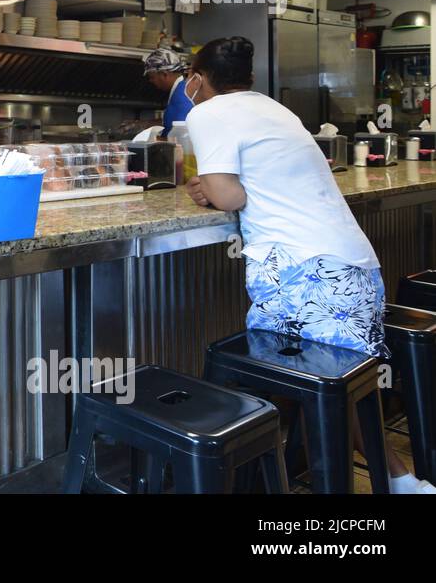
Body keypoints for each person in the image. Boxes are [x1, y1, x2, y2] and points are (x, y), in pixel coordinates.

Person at [183, 35, 433, 493]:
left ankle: (396, 483)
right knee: (341, 389)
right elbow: (244, 183)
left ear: (197, 79)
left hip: (309, 273)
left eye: (188, 79)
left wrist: (208, 189)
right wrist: (213, 187)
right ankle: (393, 481)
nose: (187, 88)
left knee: (329, 392)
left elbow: (230, 195)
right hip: (351, 267)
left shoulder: (206, 111)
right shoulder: (275, 108)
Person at [142, 48, 193, 138]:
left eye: (152, 77)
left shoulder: (180, 97)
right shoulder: (181, 89)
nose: (151, 81)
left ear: (164, 74)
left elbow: (180, 135)